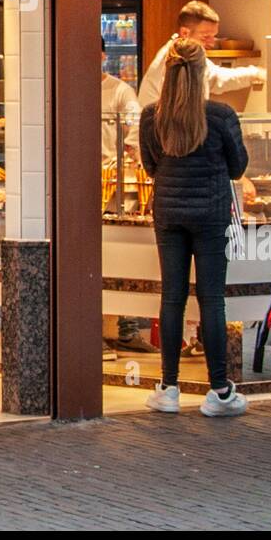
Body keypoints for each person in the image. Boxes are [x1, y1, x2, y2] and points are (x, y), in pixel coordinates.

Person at [140, 38, 250, 416]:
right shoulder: (220, 116)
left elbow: (151, 166)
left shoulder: (152, 116)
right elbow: (238, 167)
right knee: (211, 299)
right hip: (212, 215)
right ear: (203, 71)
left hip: (168, 214)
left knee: (172, 298)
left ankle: (168, 388)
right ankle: (219, 390)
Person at [100, 37, 153, 356]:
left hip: (114, 181)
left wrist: (132, 155)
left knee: (122, 253)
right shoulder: (65, 84)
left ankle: (126, 330)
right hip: (77, 179)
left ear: (103, 55)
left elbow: (134, 128)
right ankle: (104, 330)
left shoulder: (120, 90)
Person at [138, 0, 265, 109]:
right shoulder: (173, 59)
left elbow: (216, 78)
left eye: (213, 36)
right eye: (205, 37)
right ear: (185, 33)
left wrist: (254, 73)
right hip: (157, 135)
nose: (211, 43)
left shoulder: (193, 56)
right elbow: (178, 111)